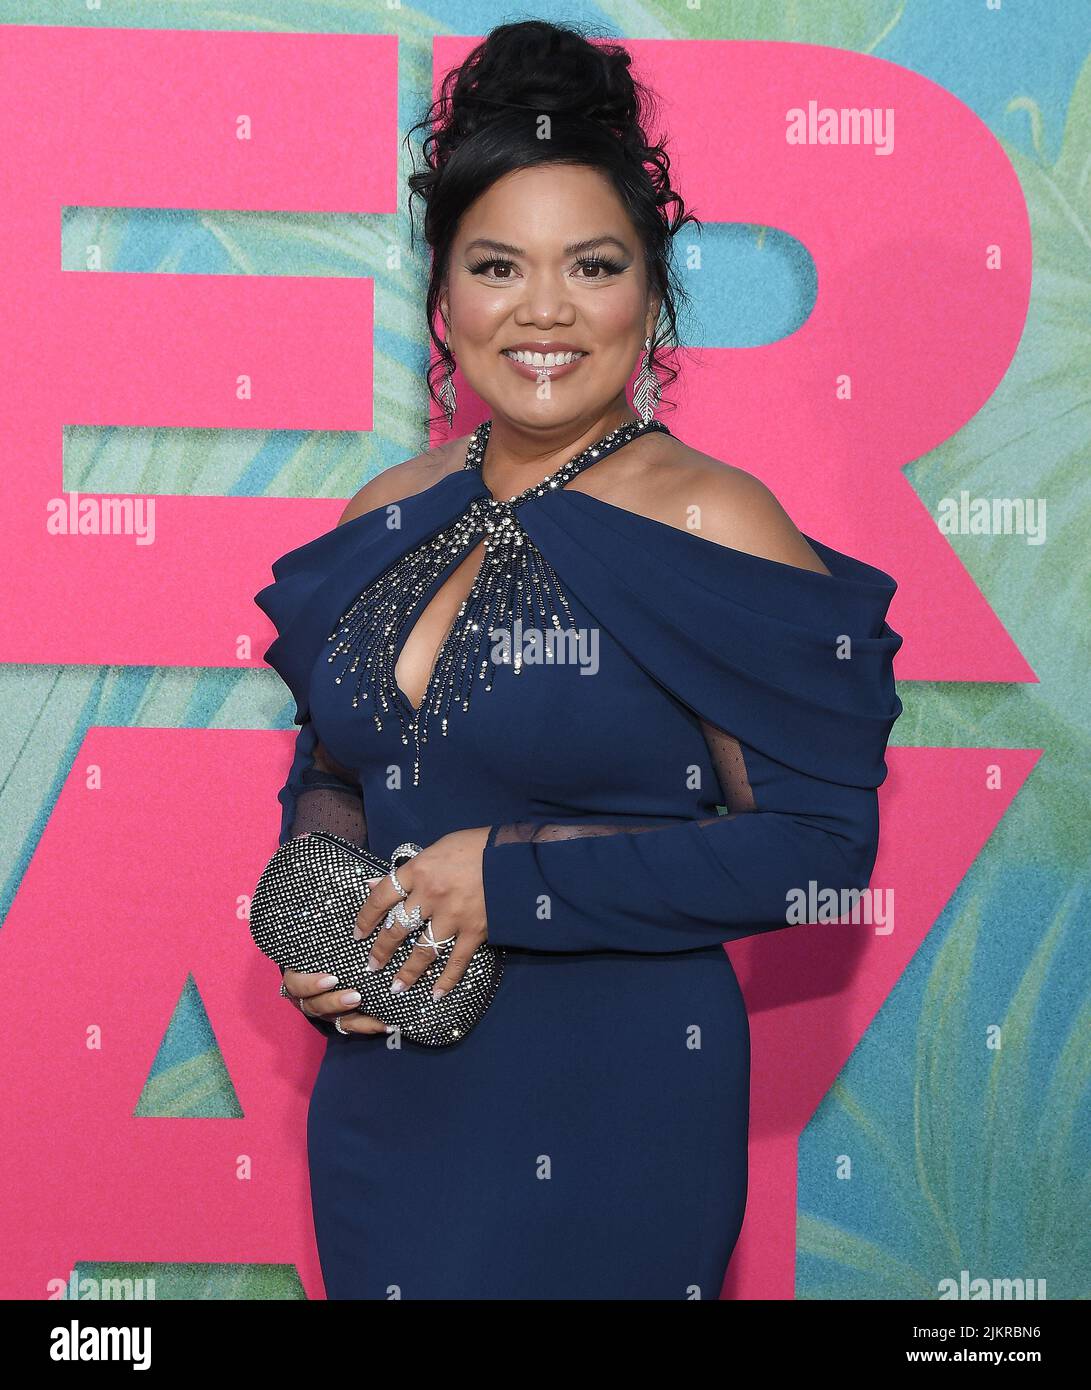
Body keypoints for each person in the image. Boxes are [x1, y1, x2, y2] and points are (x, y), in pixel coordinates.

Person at [254, 19, 902, 1300]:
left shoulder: (713, 519)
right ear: (441, 293)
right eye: (497, 265)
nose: (542, 311)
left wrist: (513, 876)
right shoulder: (382, 511)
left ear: (651, 292)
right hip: (388, 1100)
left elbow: (819, 849)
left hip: (612, 1098)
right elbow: (332, 764)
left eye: (591, 265)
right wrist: (318, 916)